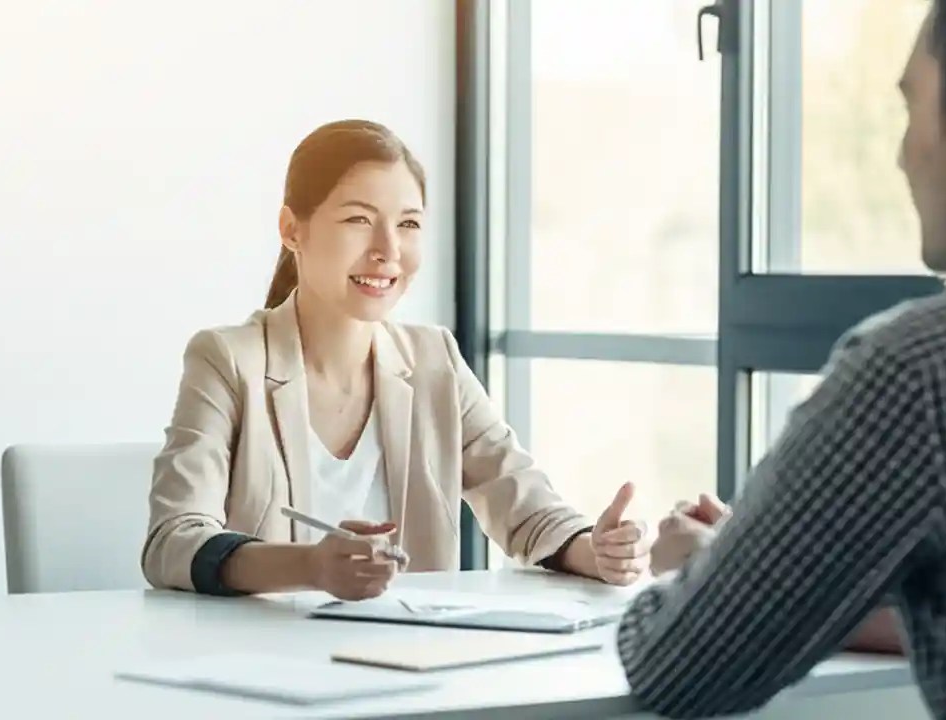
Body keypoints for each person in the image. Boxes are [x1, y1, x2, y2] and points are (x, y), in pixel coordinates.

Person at [618, 1, 946, 717]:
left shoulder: (926, 370)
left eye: (911, 111)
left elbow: (676, 664)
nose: (902, 156)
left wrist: (707, 568)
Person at [142, 119, 650, 600]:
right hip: (261, 651)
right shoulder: (228, 360)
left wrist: (597, 552)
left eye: (408, 223)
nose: (388, 249)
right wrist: (311, 567)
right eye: (359, 220)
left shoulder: (435, 361)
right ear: (292, 229)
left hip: (411, 650)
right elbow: (173, 541)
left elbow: (528, 511)